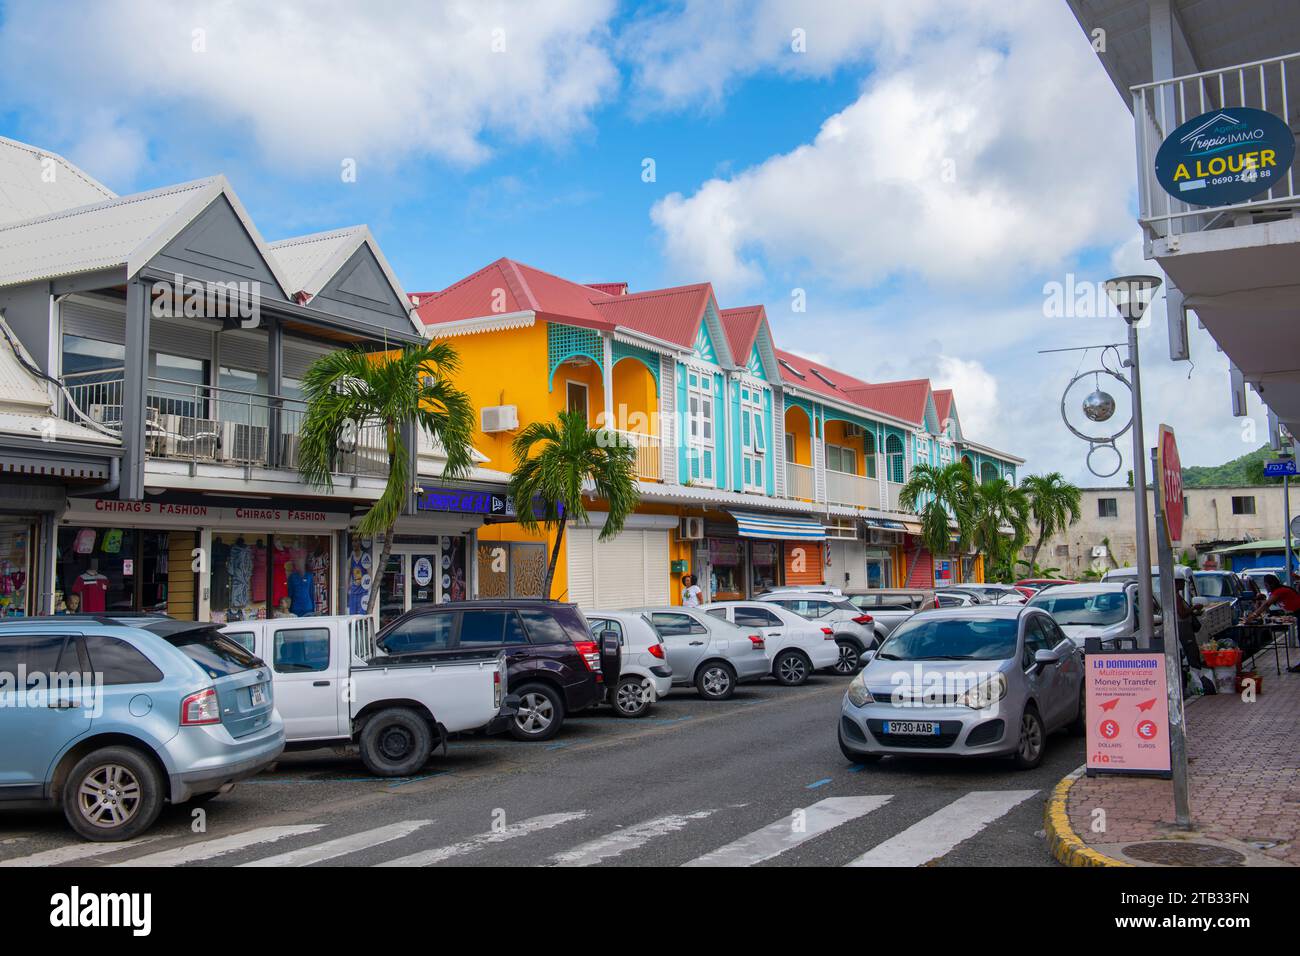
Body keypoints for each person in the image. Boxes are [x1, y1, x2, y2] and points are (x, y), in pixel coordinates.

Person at [1242, 573, 1300, 672]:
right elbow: (1263, 604)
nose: (1266, 587)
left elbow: (1267, 604)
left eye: (1266, 585)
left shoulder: (1280, 591)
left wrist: (1252, 616)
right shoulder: (1275, 592)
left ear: (1272, 584)